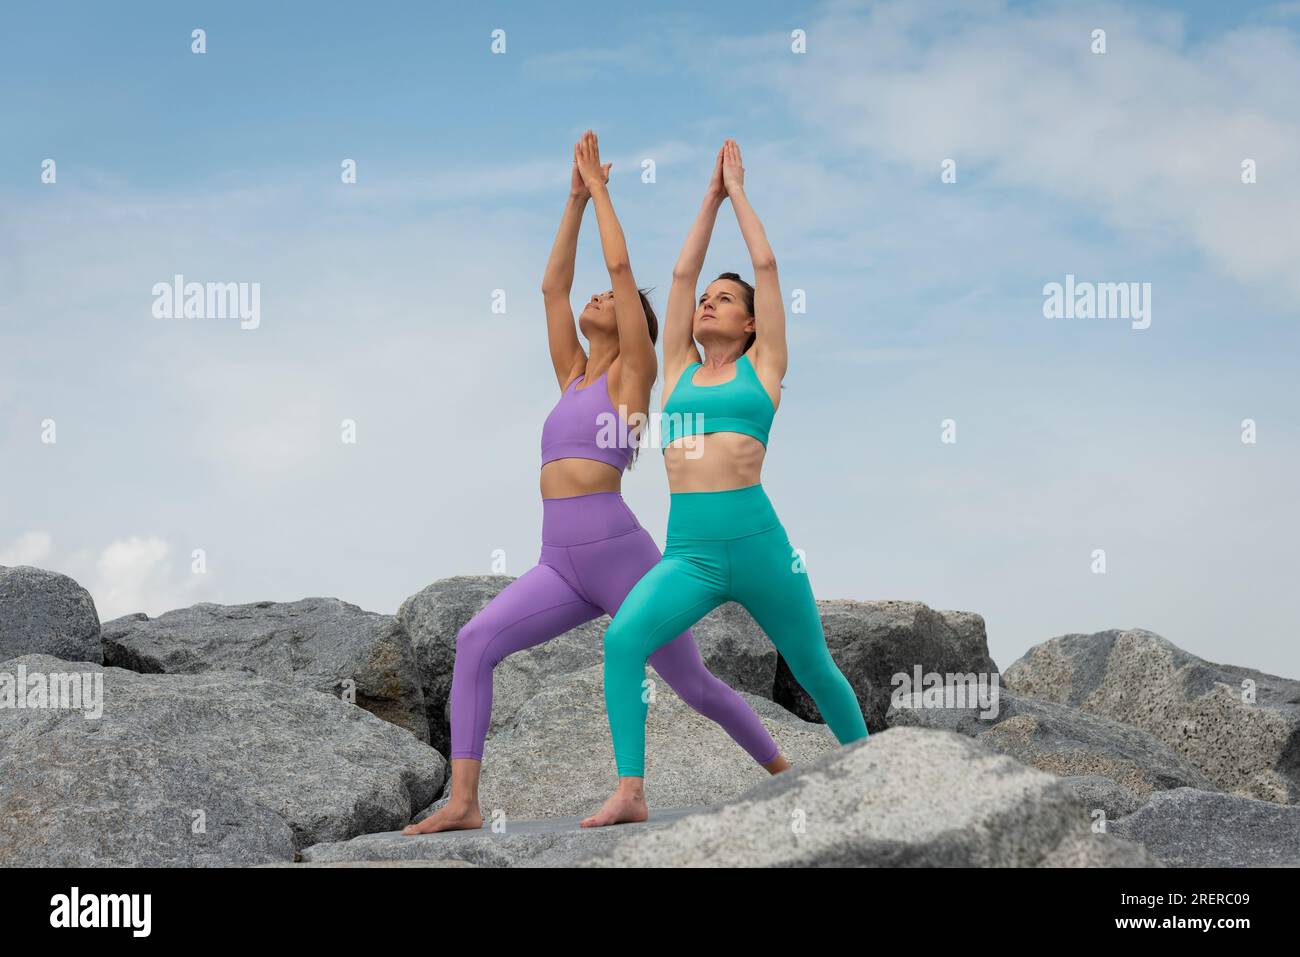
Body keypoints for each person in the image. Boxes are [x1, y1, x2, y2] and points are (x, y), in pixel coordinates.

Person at [404, 132, 783, 835]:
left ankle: (782, 773)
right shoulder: (573, 374)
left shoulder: (631, 375)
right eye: (600, 295)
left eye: (613, 298)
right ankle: (464, 800)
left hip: (619, 556)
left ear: (637, 327)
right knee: (475, 640)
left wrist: (604, 192)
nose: (599, 292)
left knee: (694, 684)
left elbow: (620, 261)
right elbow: (552, 285)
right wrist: (573, 200)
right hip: (561, 563)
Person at [581, 140, 869, 828]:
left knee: (814, 665)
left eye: (725, 300)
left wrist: (737, 191)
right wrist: (705, 200)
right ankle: (630, 789)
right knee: (622, 641)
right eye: (706, 299)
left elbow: (766, 266)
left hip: (762, 543)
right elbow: (679, 276)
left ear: (749, 322)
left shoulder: (764, 365)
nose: (707, 303)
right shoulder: (676, 364)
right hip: (692, 554)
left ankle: (871, 770)